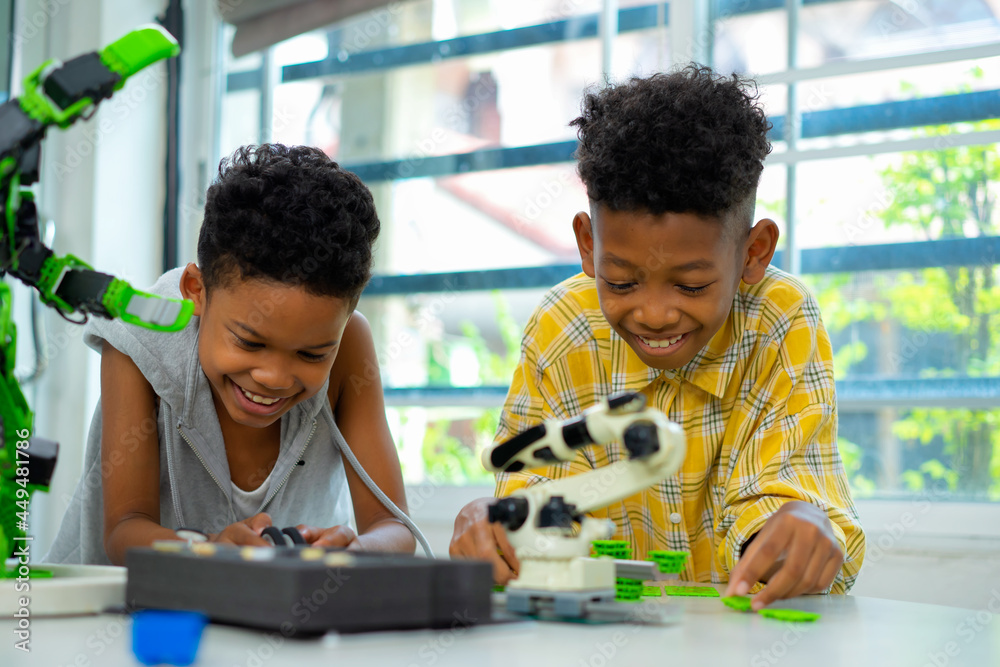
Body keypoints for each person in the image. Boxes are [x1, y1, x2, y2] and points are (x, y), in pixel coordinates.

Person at [449, 66, 866, 609]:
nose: (653, 313)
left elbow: (786, 487)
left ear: (754, 251)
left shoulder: (777, 322)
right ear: (587, 244)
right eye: (620, 281)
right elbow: (536, 512)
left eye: (691, 285)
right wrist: (494, 529)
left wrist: (799, 528)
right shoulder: (563, 330)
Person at [45, 144, 415, 565]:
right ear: (195, 291)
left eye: (312, 355)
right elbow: (125, 530)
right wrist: (205, 551)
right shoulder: (140, 335)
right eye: (250, 342)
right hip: (108, 614)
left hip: (271, 617)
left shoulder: (349, 345)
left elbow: (395, 528)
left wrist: (355, 552)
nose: (274, 377)